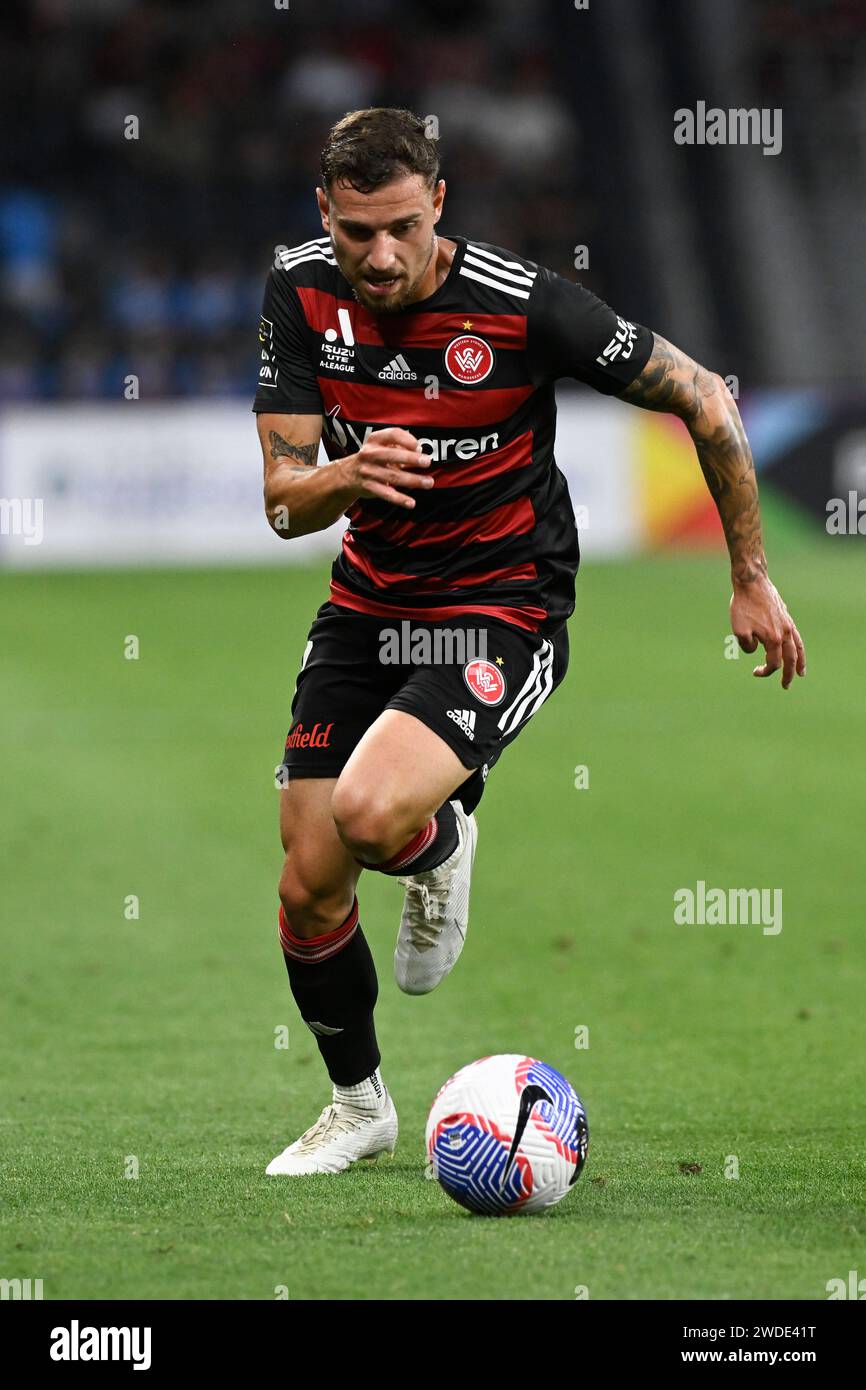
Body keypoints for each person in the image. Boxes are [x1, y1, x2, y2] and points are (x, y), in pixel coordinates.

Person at [252, 107, 806, 1176]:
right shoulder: (297, 293)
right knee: (306, 882)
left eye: (401, 228)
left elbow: (698, 394)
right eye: (357, 229)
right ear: (325, 213)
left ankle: (442, 847)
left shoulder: (522, 306)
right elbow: (282, 503)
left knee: (371, 816)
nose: (378, 254)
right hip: (368, 601)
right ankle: (358, 1105)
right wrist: (342, 477)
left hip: (502, 605)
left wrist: (748, 575)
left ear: (438, 207)